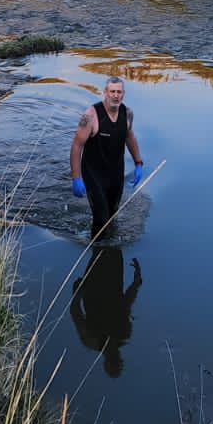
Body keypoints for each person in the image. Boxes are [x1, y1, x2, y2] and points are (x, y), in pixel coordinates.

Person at [69, 75, 145, 240]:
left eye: (119, 92)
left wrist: (138, 163)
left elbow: (129, 137)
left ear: (123, 94)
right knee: (101, 218)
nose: (115, 95)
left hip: (116, 173)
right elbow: (76, 146)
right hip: (93, 173)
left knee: (112, 214)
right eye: (112, 91)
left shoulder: (128, 113)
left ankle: (107, 242)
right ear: (105, 92)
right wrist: (76, 177)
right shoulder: (91, 115)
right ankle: (97, 249)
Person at [69, 247, 142, 378]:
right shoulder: (124, 333)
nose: (115, 359)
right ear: (121, 360)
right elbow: (126, 304)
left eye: (112, 362)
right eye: (117, 362)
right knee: (113, 246)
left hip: (93, 285)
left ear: (105, 362)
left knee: (100, 247)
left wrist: (77, 294)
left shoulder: (91, 340)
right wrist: (136, 283)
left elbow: (76, 313)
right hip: (113, 281)